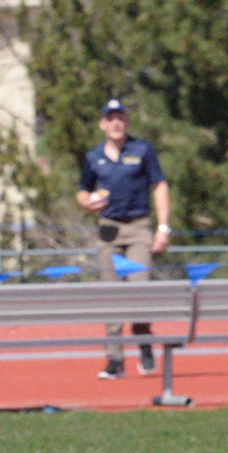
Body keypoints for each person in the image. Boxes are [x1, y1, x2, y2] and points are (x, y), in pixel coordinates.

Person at [75, 99, 170, 379]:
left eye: (120, 118)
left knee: (140, 290)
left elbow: (159, 185)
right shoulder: (94, 157)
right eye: (110, 118)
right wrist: (86, 202)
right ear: (103, 124)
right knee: (111, 294)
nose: (116, 123)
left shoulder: (141, 150)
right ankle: (114, 358)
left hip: (138, 227)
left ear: (126, 123)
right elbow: (82, 190)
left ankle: (143, 341)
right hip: (108, 230)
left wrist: (163, 228)